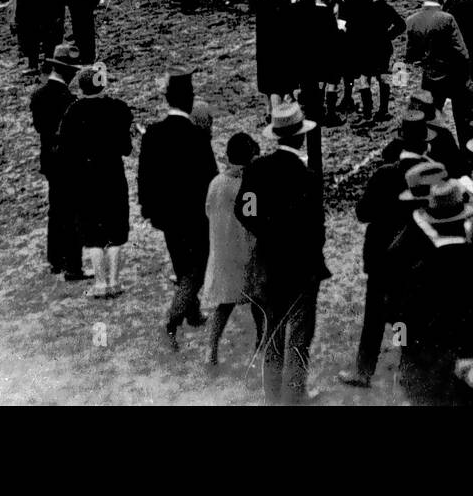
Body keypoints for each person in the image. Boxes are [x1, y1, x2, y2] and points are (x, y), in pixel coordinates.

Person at [236, 102, 329, 405]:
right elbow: (316, 231)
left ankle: (272, 396)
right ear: (301, 137)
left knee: (272, 335)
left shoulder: (256, 169)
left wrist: (266, 230)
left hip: (269, 263)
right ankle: (295, 395)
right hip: (301, 268)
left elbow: (244, 210)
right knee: (300, 336)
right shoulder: (309, 178)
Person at [385, 178, 473, 405]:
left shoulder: (418, 271)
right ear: (463, 219)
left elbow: (395, 315)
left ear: (433, 223)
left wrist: (407, 351)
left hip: (428, 369)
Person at [338, 145, 442, 389]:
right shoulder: (433, 172)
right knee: (406, 314)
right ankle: (405, 363)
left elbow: (362, 213)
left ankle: (364, 370)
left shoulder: (384, 174)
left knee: (374, 315)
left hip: (381, 257)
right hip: (417, 259)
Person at [138, 67, 218, 349]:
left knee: (181, 263)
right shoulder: (198, 138)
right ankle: (173, 320)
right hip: (195, 216)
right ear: (189, 100)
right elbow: (211, 178)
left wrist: (149, 210)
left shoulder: (153, 134)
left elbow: (144, 178)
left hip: (166, 216)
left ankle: (193, 312)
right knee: (195, 270)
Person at [57, 64, 133, 298]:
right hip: (113, 176)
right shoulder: (119, 109)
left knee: (92, 234)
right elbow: (126, 149)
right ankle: (115, 281)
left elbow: (65, 152)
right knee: (116, 231)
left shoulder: (72, 112)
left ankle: (100, 284)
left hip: (85, 181)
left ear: (81, 87)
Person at [203, 132, 263, 368]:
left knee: (224, 304)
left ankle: (211, 348)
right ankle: (261, 342)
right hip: (245, 249)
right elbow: (253, 218)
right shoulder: (248, 186)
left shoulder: (216, 183)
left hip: (222, 249)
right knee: (257, 300)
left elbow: (208, 209)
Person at [29, 44, 88, 280]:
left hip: (50, 160)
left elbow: (39, 128)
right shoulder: (69, 100)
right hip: (69, 161)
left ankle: (55, 259)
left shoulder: (38, 95)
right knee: (72, 211)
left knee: (56, 209)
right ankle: (72, 264)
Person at [404, 0, 473, 150]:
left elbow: (411, 55)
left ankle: (434, 155)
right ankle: (468, 156)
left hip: (430, 78)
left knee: (430, 120)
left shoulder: (412, 21)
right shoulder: (447, 19)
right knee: (464, 120)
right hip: (455, 77)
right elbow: (462, 53)